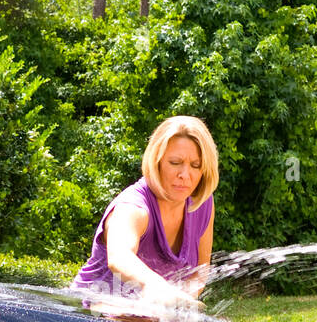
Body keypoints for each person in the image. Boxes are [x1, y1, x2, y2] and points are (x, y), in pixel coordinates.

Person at [72, 115, 218, 306]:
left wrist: (178, 307)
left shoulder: (202, 204)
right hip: (91, 319)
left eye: (195, 165)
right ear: (156, 162)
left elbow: (199, 273)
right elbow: (119, 258)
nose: (185, 175)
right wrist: (157, 286)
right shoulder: (132, 208)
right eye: (175, 162)